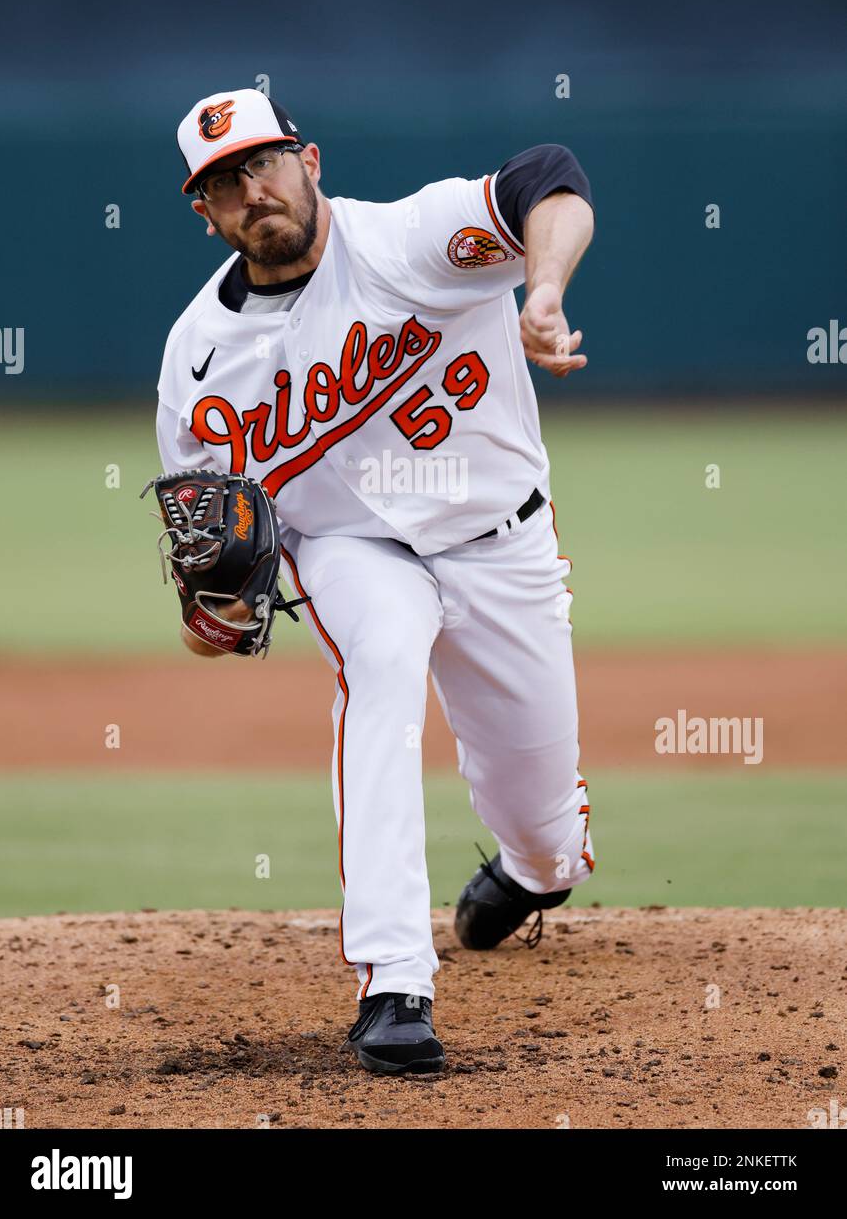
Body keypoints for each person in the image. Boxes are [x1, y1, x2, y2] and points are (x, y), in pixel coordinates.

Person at [155, 87, 596, 1075]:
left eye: (262, 163)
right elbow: (204, 577)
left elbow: (549, 176)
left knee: (546, 833)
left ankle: (532, 870)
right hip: (354, 552)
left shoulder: (407, 239)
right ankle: (393, 981)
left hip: (499, 541)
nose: (250, 190)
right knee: (382, 664)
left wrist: (542, 291)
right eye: (223, 182)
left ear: (308, 161)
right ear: (205, 213)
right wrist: (211, 616)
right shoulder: (196, 362)